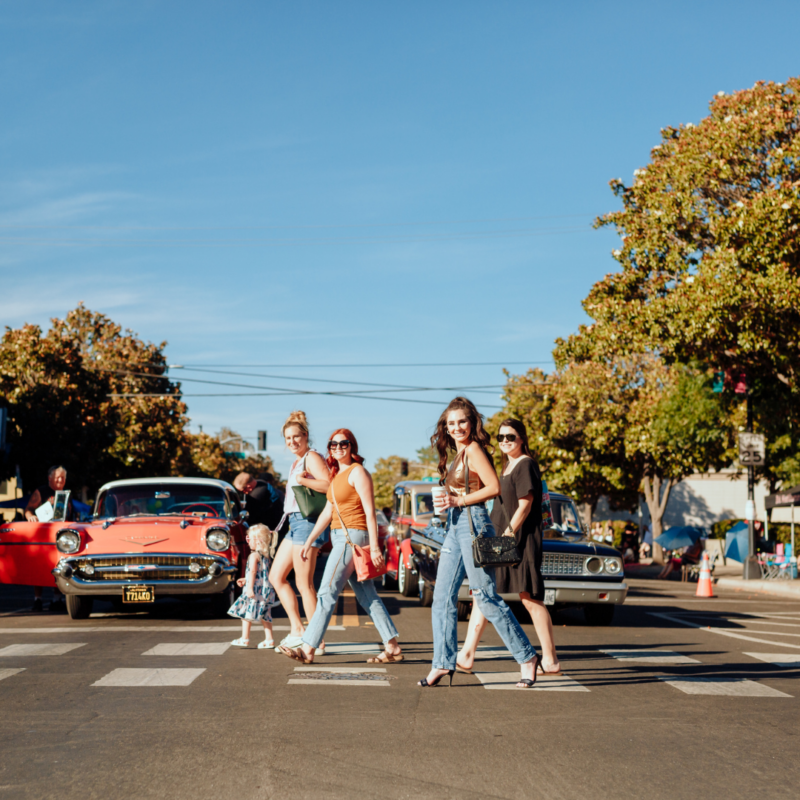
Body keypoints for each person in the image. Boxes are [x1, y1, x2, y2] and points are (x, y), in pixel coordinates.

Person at [420, 397, 539, 689]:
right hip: (454, 524)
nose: (457, 427)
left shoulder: (473, 449)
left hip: (474, 525)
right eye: (451, 423)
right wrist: (447, 500)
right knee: (442, 598)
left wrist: (458, 499)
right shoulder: (456, 454)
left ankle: (527, 657)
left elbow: (493, 487)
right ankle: (441, 663)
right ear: (445, 428)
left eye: (462, 421)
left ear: (472, 423)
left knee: (485, 597)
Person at [278, 428, 403, 666]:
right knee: (368, 596)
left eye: (343, 444)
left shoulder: (358, 473)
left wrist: (375, 547)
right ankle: (392, 646)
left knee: (326, 592)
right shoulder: (336, 477)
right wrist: (309, 540)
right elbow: (328, 511)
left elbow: (369, 511)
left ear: (352, 446)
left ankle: (308, 648)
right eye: (332, 445)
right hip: (339, 536)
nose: (337, 448)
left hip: (352, 538)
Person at [456, 418, 561, 675]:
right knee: (484, 592)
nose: (505, 441)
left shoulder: (525, 465)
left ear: (522, 438)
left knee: (530, 598)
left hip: (518, 538)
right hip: (501, 537)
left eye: (510, 437)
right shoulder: (506, 466)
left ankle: (550, 659)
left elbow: (525, 504)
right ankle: (467, 654)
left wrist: (509, 533)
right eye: (501, 437)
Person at [268, 411, 332, 653]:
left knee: (305, 585)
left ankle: (317, 640)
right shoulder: (296, 461)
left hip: (307, 522)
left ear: (306, 436)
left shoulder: (312, 457)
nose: (292, 441)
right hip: (293, 523)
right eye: (287, 438)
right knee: (277, 577)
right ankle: (298, 630)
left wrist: (304, 481)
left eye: (296, 436)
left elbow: (328, 486)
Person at [24, 465, 73, 612]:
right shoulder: (41, 492)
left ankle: (56, 600)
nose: (60, 480)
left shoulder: (67, 494)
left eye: (63, 477)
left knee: (59, 567)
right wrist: (30, 517)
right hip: (43, 537)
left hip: (60, 538)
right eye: (57, 477)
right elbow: (28, 510)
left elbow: (70, 514)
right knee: (40, 567)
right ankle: (37, 600)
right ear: (50, 478)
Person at [228, 524, 278, 648]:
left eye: (249, 539)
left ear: (258, 541)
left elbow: (253, 572)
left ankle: (245, 638)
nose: (247, 541)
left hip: (255, 590)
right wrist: (246, 579)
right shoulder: (266, 556)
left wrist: (249, 587)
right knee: (266, 614)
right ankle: (269, 639)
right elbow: (262, 574)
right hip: (266, 590)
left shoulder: (253, 556)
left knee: (246, 613)